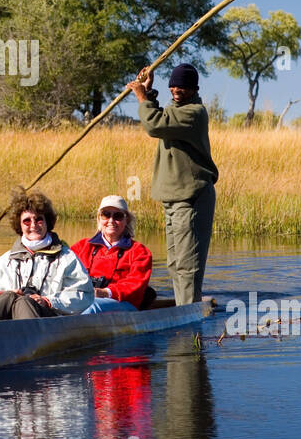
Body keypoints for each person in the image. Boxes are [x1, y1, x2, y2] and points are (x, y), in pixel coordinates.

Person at [125, 63, 218, 305]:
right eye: (174, 85)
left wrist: (141, 96)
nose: (177, 89)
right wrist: (149, 92)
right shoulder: (175, 110)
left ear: (194, 88)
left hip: (191, 197)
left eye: (183, 86)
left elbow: (155, 125)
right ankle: (183, 305)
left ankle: (188, 317)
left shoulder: (194, 113)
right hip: (173, 197)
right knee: (175, 263)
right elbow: (161, 118)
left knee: (188, 264)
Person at [0, 191, 93, 321]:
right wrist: (1, 295)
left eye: (38, 219)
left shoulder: (67, 258)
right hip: (8, 322)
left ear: (47, 222)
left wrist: (48, 301)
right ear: (19, 226)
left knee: (24, 302)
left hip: (50, 323)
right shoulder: (3, 261)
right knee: (9, 297)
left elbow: (85, 296)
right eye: (27, 221)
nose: (33, 225)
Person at [70, 195, 154, 314]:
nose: (111, 221)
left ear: (127, 220)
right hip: (84, 300)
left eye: (118, 216)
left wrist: (105, 292)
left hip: (123, 304)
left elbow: (135, 285)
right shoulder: (82, 247)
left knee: (91, 307)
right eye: (106, 215)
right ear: (99, 218)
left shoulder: (140, 252)